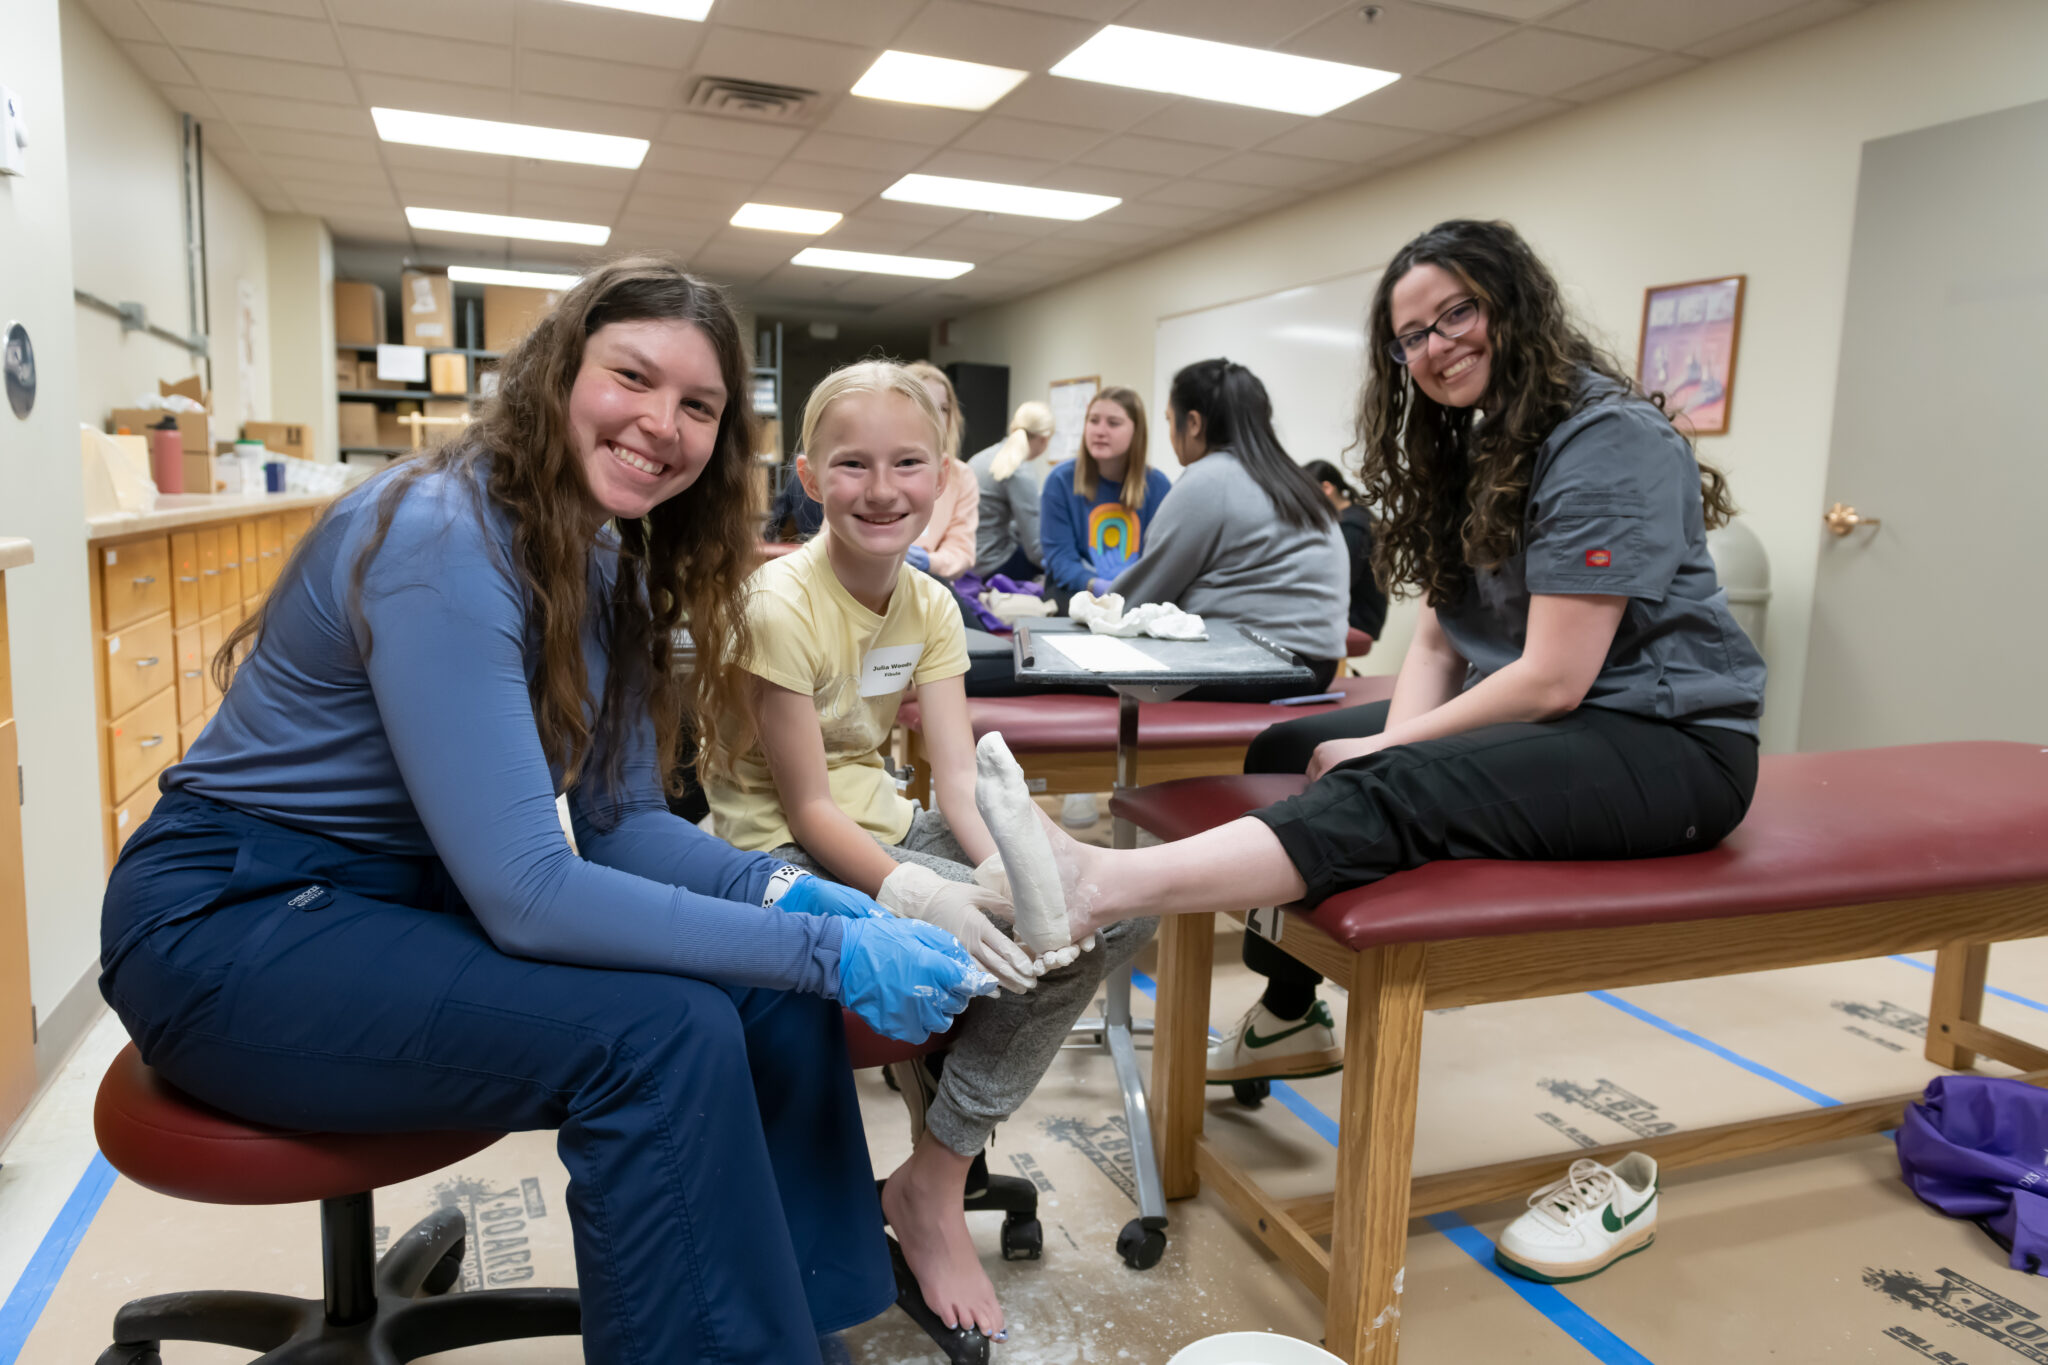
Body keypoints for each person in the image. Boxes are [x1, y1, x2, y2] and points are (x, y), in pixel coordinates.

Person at [97, 259, 993, 1365]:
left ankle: (793, 1326)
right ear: (560, 370)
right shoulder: (441, 535)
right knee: (659, 1034)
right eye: (633, 377)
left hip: (393, 904)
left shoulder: (606, 561)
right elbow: (528, 893)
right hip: (233, 927)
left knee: (759, 996)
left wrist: (804, 896)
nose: (661, 425)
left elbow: (623, 823)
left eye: (699, 406)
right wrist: (818, 946)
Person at [1003, 221, 1767, 1093]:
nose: (1435, 349)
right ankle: (1289, 1012)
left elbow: (1556, 676)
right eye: (1412, 337)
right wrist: (1392, 737)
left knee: (1393, 783)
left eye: (1455, 316)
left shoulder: (1607, 438)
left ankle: (1100, 884)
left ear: (1513, 305)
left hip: (1668, 740)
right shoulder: (1480, 443)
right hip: (1567, 713)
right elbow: (1445, 635)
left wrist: (1395, 753)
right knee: (1288, 749)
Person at [704, 360, 1153, 1344]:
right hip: (779, 845)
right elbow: (808, 809)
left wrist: (1038, 855)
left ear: (943, 476)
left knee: (1112, 904)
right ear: (811, 477)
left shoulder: (929, 607)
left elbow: (957, 785)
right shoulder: (777, 605)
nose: (880, 488)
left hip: (889, 816)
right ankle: (936, 1187)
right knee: (1023, 945)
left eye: (907, 463)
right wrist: (930, 896)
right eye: (851, 464)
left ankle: (929, 1168)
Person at [1104, 360, 1349, 702]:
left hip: (1246, 664)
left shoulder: (1209, 479)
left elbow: (1136, 600)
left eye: (1170, 421)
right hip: (1315, 669)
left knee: (1042, 668)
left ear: (1192, 423)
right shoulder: (1296, 483)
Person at [1038, 386, 1171, 610]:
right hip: (1075, 596)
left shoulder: (1158, 486)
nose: (1100, 431)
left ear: (1136, 432)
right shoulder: (1060, 481)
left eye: (1113, 423)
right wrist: (1100, 587)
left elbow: (1161, 560)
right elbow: (1061, 560)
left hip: (1138, 598)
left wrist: (1127, 591)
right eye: (1093, 420)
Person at [905, 360, 979, 580]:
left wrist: (929, 562)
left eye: (944, 409)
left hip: (931, 582)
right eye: (925, 404)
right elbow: (829, 540)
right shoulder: (874, 466)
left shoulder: (960, 476)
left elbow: (961, 550)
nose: (936, 417)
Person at [968, 400, 1055, 580]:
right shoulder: (1020, 470)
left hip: (967, 558)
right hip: (993, 563)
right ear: (1045, 439)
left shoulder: (983, 457)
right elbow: (1036, 549)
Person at [1303, 457, 1388, 640]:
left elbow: (1339, 582)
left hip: (1357, 619)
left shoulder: (1352, 526)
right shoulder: (1350, 519)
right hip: (1353, 615)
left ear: (1327, 488)